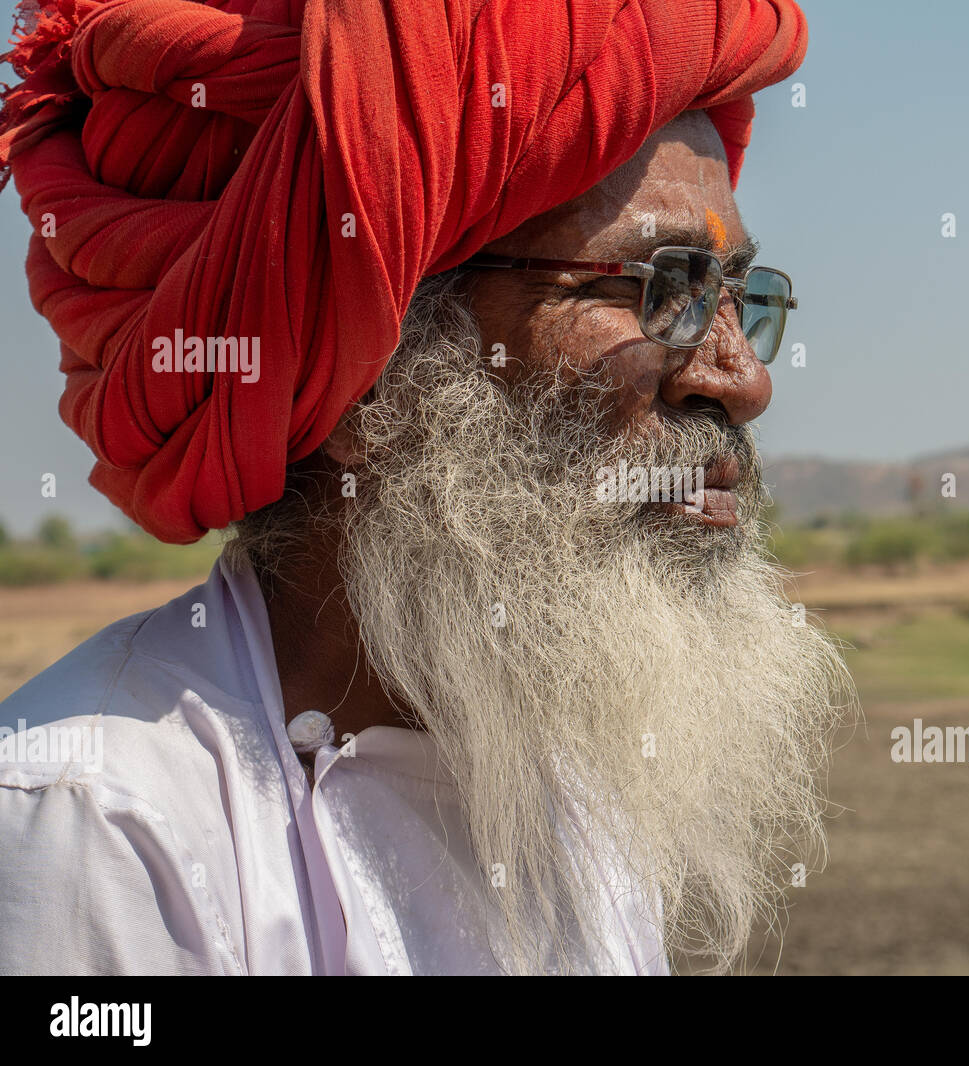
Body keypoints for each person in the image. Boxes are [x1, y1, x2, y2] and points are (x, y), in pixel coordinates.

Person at [0, 0, 852, 975]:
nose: (742, 380)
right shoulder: (98, 821)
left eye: (737, 295)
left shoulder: (563, 782)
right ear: (378, 383)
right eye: (657, 288)